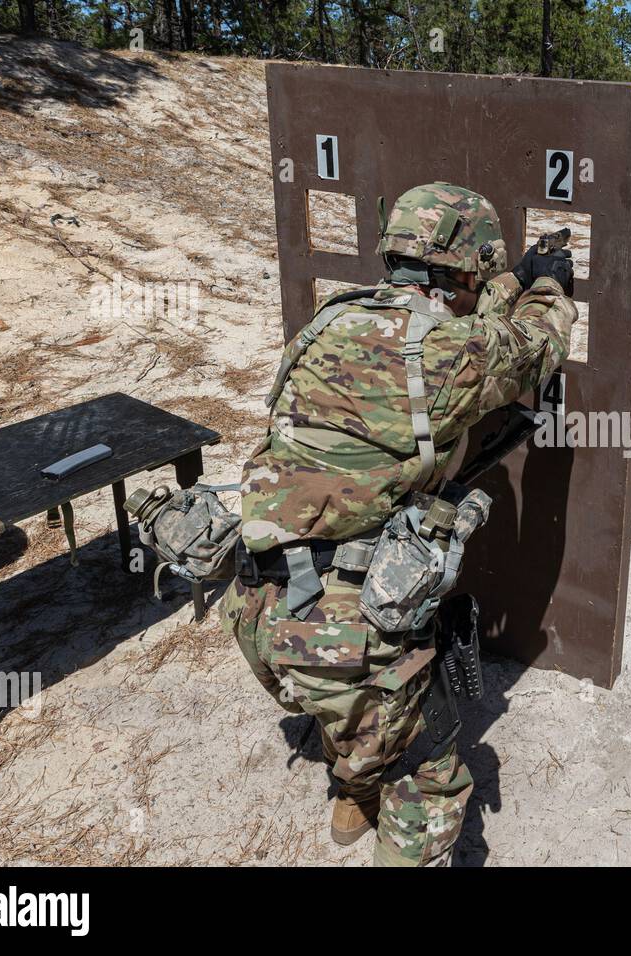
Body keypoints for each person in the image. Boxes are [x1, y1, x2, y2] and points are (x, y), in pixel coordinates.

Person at [220, 181, 576, 866]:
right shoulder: (451, 355)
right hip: (341, 645)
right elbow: (534, 345)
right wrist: (549, 286)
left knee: (350, 702)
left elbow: (451, 335)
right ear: (465, 272)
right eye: (482, 275)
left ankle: (352, 795)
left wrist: (504, 283)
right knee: (429, 774)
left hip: (259, 611)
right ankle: (389, 802)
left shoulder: (330, 321)